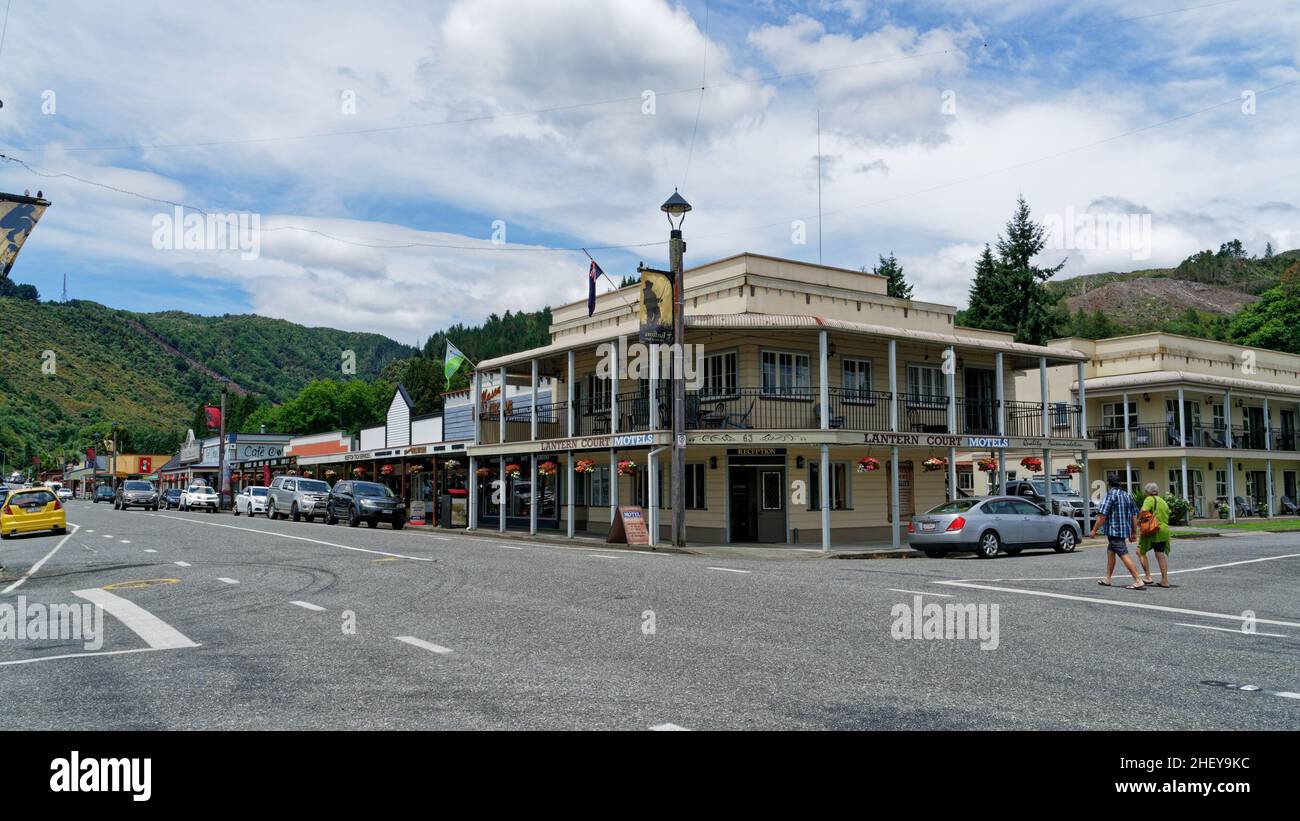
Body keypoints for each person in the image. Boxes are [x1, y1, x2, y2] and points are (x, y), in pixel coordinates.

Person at [1091, 476, 1145, 590]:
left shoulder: (1110, 495)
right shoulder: (1127, 495)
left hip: (1114, 530)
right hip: (1124, 530)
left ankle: (1138, 580)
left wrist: (1094, 530)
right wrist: (1134, 532)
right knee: (1111, 552)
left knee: (1123, 554)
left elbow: (1102, 516)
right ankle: (1107, 578)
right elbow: (1134, 515)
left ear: (1108, 484)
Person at [1137, 482, 1172, 587]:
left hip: (1152, 529)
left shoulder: (1149, 499)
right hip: (1164, 530)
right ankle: (1165, 580)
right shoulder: (1163, 501)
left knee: (1140, 551)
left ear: (1147, 492)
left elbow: (1144, 510)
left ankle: (1148, 577)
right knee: (1160, 555)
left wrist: (1142, 520)